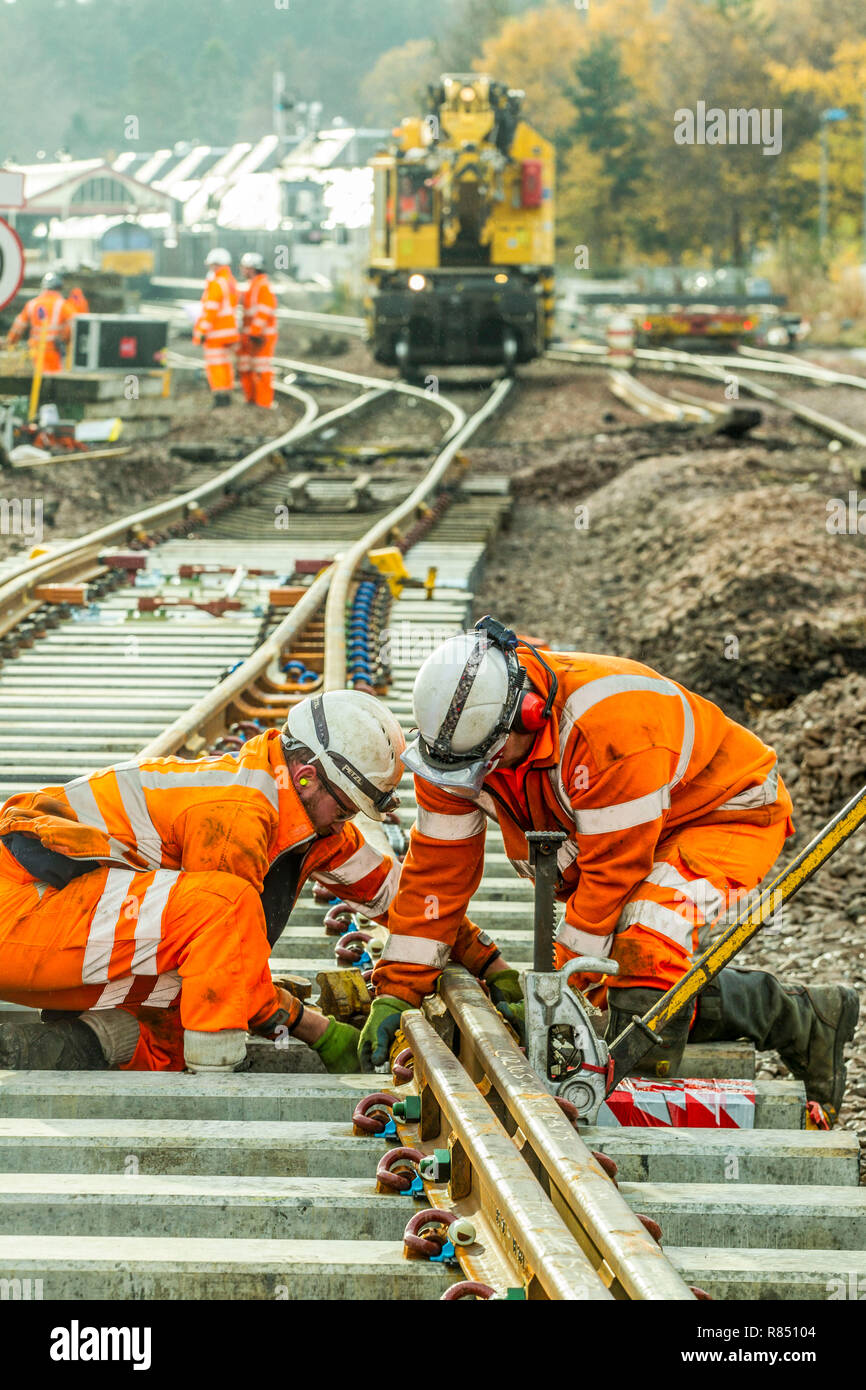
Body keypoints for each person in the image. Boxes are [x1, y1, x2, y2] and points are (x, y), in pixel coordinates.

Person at [360, 617, 859, 1124]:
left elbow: (607, 882)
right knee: (612, 977)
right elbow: (436, 874)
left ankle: (639, 1091)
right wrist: (399, 989)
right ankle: (808, 1018)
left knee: (645, 942)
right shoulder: (456, 749)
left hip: (722, 812)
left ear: (527, 717)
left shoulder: (610, 729)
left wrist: (553, 1004)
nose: (473, 780)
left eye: (485, 763)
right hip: (617, 822)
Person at [0, 692, 405, 1075]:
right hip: (20, 913)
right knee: (222, 933)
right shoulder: (237, 814)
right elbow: (228, 948)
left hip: (57, 927)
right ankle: (216, 1072)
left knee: (197, 995)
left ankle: (54, 1045)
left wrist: (463, 954)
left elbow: (399, 898)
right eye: (347, 808)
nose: (346, 821)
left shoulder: (303, 815)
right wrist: (320, 1033)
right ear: (306, 777)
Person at [193, 248, 239, 407]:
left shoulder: (216, 283)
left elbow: (210, 310)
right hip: (229, 332)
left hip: (216, 333)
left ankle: (220, 397)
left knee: (215, 364)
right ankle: (227, 394)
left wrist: (201, 332)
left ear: (215, 265)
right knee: (226, 363)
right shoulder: (230, 281)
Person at [6, 272, 74, 374]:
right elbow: (75, 324)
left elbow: (18, 327)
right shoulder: (64, 305)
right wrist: (64, 338)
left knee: (34, 385)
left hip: (34, 353)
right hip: (53, 353)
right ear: (59, 287)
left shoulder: (32, 304)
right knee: (51, 385)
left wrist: (11, 341)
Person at [238, 251, 278, 409]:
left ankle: (264, 402)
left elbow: (264, 311)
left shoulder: (262, 286)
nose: (242, 270)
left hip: (261, 337)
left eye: (244, 267)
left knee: (261, 369)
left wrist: (254, 332)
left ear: (252, 268)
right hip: (253, 336)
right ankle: (253, 400)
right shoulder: (254, 286)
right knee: (249, 368)